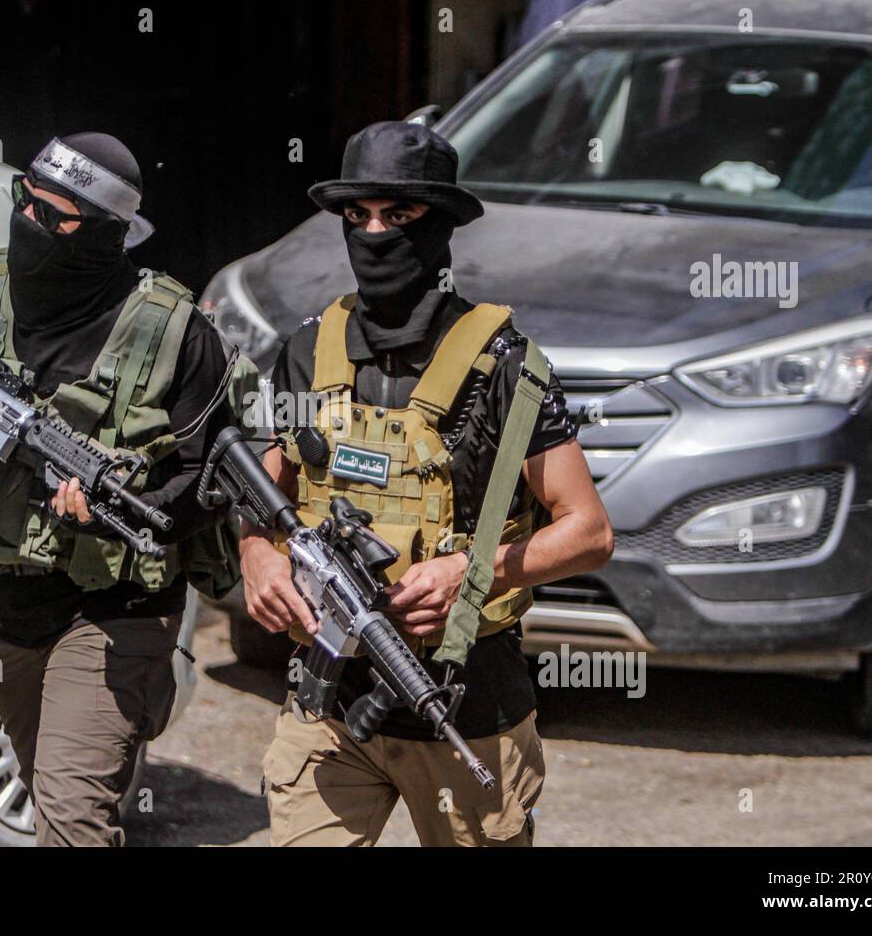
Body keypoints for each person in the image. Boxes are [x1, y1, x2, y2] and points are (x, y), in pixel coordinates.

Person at [239, 121, 613, 846]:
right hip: (328, 709)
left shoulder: (505, 366)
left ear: (438, 225)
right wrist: (258, 556)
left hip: (464, 709)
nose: (374, 234)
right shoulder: (307, 349)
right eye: (358, 216)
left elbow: (589, 532)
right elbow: (256, 489)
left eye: (399, 215)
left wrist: (467, 574)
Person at [0, 132, 229, 846]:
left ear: (105, 236)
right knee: (49, 800)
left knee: (69, 818)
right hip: (6, 608)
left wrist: (131, 511)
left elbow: (213, 478)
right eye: (23, 204)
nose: (30, 224)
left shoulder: (173, 334)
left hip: (115, 613)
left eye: (56, 218)